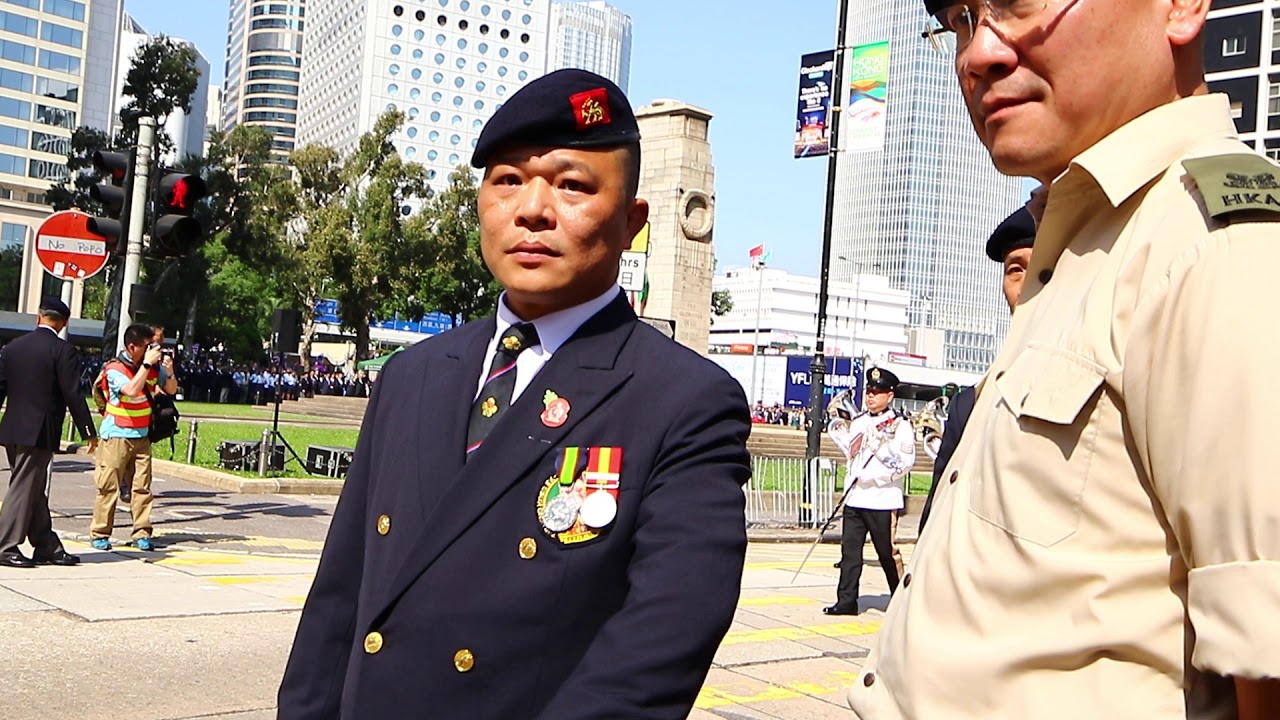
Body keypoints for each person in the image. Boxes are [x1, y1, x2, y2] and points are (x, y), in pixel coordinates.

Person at [277, 69, 753, 720]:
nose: (532, 209)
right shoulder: (413, 374)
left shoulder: (683, 402)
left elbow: (659, 647)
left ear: (631, 221)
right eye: (507, 180)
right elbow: (337, 603)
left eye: (572, 185)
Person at [850, 1, 1280, 717]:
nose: (978, 53)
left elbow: (1267, 657)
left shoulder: (1218, 245)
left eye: (1019, 2)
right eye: (960, 19)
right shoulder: (1087, 242)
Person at [919, 205, 1034, 530]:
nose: (1027, 285)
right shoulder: (969, 404)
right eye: (1016, 270)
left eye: (1044, 268)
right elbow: (936, 520)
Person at [0, 297, 98, 568]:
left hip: (12, 428)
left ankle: (46, 545)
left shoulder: (12, 348)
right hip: (40, 430)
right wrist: (88, 431)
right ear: (64, 323)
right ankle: (5, 545)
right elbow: (73, 394)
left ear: (38, 317)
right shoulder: (63, 350)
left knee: (32, 488)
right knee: (24, 488)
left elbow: (0, 388)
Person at [823, 367, 915, 616]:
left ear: (890, 395)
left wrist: (876, 472)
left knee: (887, 553)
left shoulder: (900, 425)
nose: (871, 396)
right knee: (850, 553)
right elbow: (853, 457)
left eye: (877, 392)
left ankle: (901, 599)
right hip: (856, 498)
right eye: (869, 391)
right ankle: (846, 601)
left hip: (882, 499)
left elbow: (905, 463)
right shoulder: (860, 421)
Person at [89, 323, 173, 553]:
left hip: (142, 436)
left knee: (142, 489)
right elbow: (132, 390)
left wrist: (169, 371)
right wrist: (146, 365)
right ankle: (100, 533)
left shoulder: (153, 368)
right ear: (132, 347)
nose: (151, 351)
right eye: (147, 347)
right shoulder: (114, 369)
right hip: (116, 435)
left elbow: (171, 389)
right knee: (109, 487)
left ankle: (142, 532)